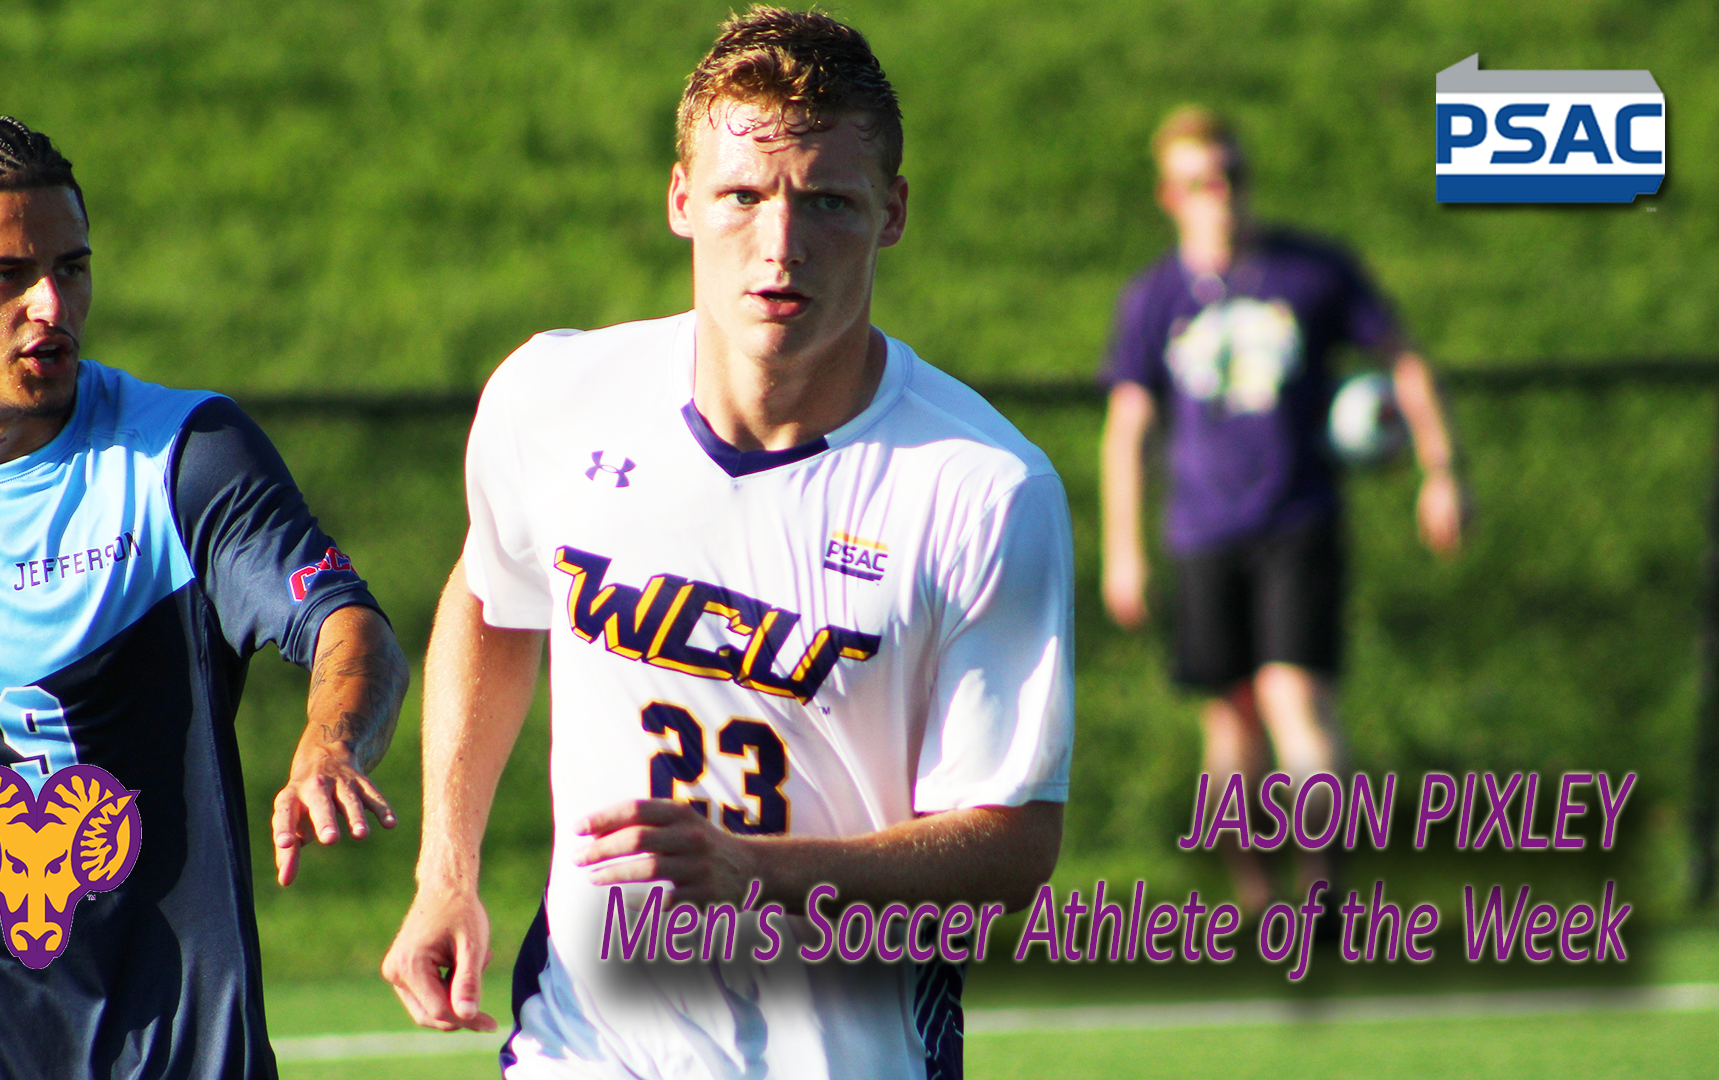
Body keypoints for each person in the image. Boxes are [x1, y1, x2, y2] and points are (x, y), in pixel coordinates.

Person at [382, 8, 1074, 1078]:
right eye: (743, 195)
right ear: (681, 199)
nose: (780, 244)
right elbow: (492, 598)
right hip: (586, 1043)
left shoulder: (982, 487)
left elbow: (1011, 845)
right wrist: (446, 871)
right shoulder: (554, 396)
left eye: (828, 202)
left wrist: (761, 872)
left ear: (893, 212)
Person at [0, 115, 408, 1079]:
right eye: (7, 275)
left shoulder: (181, 457)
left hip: (173, 1056)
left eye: (72, 268)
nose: (51, 304)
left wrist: (332, 743)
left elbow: (348, 626)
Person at [1098, 106, 1463, 913]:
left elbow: (1402, 358)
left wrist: (1441, 470)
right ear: (1170, 196)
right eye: (1201, 183)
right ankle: (1256, 905)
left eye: (1231, 177)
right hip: (1201, 531)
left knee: (1296, 697)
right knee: (1229, 721)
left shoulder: (1311, 272)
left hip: (1296, 519)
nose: (1221, 196)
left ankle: (1324, 894)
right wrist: (1123, 552)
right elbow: (1129, 429)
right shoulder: (1155, 297)